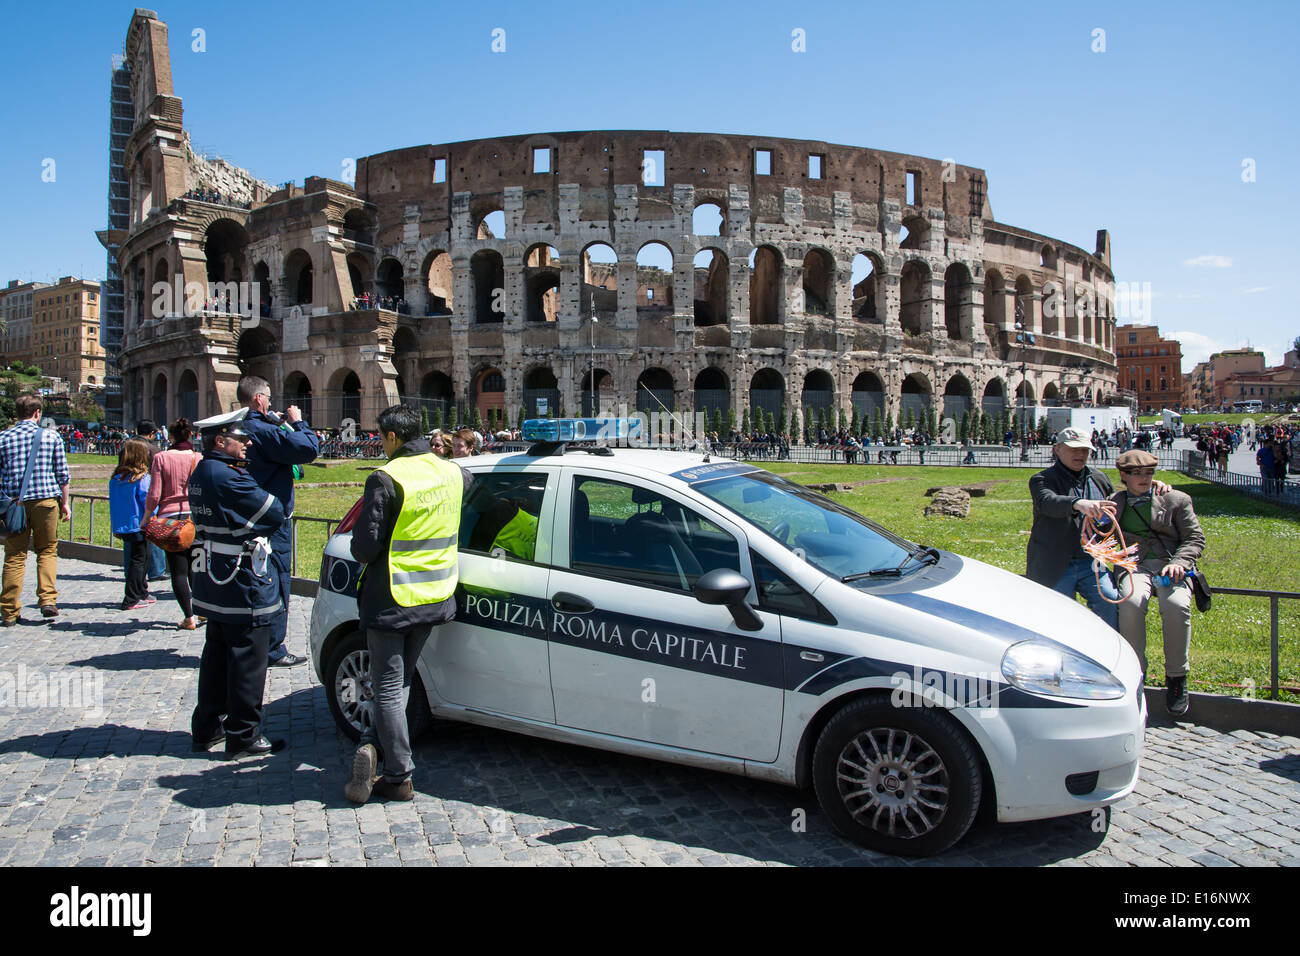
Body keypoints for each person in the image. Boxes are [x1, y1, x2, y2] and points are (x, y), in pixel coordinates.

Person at [345, 405, 473, 803]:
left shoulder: (386, 477)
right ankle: (373, 742)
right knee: (400, 680)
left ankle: (398, 773)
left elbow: (364, 548)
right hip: (435, 594)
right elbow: (468, 487)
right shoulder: (453, 472)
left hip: (393, 596)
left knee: (385, 684)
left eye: (381, 438)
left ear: (392, 438)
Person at [188, 413, 287, 759]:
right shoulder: (230, 478)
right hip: (239, 579)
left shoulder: (204, 470)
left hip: (213, 577)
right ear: (220, 441)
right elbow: (274, 512)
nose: (247, 443)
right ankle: (243, 735)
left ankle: (206, 727)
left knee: (216, 656)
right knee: (248, 658)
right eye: (240, 437)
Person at [1109, 449, 1204, 715]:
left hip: (1169, 565)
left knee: (1175, 606)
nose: (1144, 478)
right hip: (1135, 567)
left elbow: (1195, 538)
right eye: (1136, 473)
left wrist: (1180, 563)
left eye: (1149, 473)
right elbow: (1099, 537)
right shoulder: (1114, 503)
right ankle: (1136, 675)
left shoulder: (1174, 499)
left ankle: (1177, 676)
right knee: (1130, 603)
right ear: (1123, 476)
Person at [238, 375, 320, 667]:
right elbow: (309, 448)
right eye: (269, 398)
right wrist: (298, 422)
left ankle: (249, 638)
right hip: (272, 518)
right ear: (259, 399)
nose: (272, 403)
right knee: (275, 578)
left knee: (251, 578)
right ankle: (273, 648)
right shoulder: (262, 429)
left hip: (246, 515)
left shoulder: (237, 428)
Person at [1027, 427, 1124, 627]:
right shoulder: (1042, 479)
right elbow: (1048, 502)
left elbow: (1117, 503)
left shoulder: (1099, 479)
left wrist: (1152, 486)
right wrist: (1078, 503)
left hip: (1091, 561)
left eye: (1085, 450)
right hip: (1054, 563)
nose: (1080, 454)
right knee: (1059, 619)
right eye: (1074, 449)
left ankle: (1108, 652)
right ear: (1057, 450)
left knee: (1110, 601)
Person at [1, 394, 72, 625]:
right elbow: (62, 474)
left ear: (17, 413)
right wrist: (65, 503)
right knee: (48, 550)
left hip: (14, 504)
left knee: (14, 555)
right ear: (37, 413)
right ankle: (47, 600)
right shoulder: (51, 437)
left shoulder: (3, 438)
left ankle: (9, 610)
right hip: (45, 502)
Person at [145, 418, 203, 629]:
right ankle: (203, 610)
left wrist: (147, 516)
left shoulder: (161, 458)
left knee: (178, 571)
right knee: (197, 568)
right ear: (190, 435)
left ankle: (189, 617)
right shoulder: (198, 458)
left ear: (170, 436)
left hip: (170, 520)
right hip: (195, 518)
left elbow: (154, 493)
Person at [109, 439, 155, 611]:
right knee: (139, 561)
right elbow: (148, 502)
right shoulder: (142, 479)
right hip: (139, 524)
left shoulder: (116, 478)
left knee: (143, 558)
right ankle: (131, 597)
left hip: (124, 524)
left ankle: (142, 591)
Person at [133, 420, 169, 582]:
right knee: (154, 530)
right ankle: (157, 569)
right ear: (152, 433)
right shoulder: (153, 449)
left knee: (134, 532)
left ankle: (131, 570)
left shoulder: (127, 445)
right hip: (149, 489)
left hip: (130, 492)